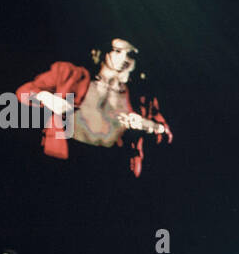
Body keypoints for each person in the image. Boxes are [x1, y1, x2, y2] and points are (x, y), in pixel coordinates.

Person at [16, 38, 172, 178]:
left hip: (112, 167)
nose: (124, 58)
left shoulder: (141, 96)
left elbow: (166, 135)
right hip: (66, 158)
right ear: (102, 52)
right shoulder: (71, 75)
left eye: (130, 54)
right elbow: (24, 92)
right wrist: (47, 98)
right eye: (117, 51)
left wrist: (149, 125)